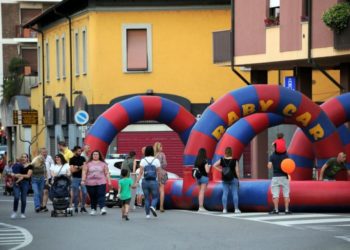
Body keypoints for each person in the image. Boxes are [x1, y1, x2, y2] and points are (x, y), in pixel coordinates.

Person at [133, 145, 161, 219]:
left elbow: (140, 173)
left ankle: (147, 215)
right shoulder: (156, 160)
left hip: (145, 181)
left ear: (145, 152)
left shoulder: (143, 160)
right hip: (154, 181)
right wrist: (160, 181)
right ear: (153, 151)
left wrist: (136, 182)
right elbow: (159, 172)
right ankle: (153, 206)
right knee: (155, 197)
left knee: (146, 198)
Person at [81, 150, 111, 216]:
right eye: (94, 154)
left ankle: (102, 208)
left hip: (101, 182)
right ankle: (93, 209)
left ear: (99, 155)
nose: (95, 155)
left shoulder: (103, 164)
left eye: (97, 154)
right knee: (93, 196)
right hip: (90, 183)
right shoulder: (87, 164)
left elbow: (107, 173)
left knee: (101, 194)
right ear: (92, 155)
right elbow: (84, 172)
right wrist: (83, 180)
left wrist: (109, 181)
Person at [212, 147, 240, 214]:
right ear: (231, 152)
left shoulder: (222, 160)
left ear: (225, 152)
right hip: (233, 178)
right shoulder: (235, 160)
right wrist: (238, 179)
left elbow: (214, 165)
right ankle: (236, 209)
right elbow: (237, 171)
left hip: (225, 179)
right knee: (235, 193)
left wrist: (221, 170)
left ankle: (224, 209)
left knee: (225, 193)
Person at [267, 150, 291, 215]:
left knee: (275, 194)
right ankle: (286, 210)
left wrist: (271, 160)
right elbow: (289, 165)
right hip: (284, 177)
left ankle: (276, 210)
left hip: (276, 177)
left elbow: (269, 166)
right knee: (286, 194)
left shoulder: (272, 156)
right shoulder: (286, 155)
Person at [11, 154, 32, 219]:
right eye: (22, 157)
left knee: (23, 199)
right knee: (16, 197)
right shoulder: (17, 165)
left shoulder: (30, 166)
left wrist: (19, 175)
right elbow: (13, 173)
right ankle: (14, 211)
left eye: (25, 157)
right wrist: (15, 175)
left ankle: (22, 213)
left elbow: (28, 176)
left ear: (27, 158)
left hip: (25, 183)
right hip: (16, 183)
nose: (23, 158)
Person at [69, 146, 87, 213]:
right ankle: (76, 207)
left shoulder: (83, 158)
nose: (80, 152)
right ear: (75, 151)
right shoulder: (71, 159)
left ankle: (83, 206)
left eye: (80, 151)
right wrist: (80, 167)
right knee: (76, 194)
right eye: (79, 151)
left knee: (84, 192)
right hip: (75, 178)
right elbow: (72, 170)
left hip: (82, 178)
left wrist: (78, 167)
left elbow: (85, 168)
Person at [154, 142, 167, 212]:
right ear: (159, 147)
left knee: (154, 191)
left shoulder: (152, 155)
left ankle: (154, 206)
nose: (162, 148)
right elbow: (165, 164)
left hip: (153, 174)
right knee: (162, 190)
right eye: (161, 146)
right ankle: (161, 207)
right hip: (161, 173)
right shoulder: (162, 155)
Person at [40, 147, 54, 212]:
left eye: (45, 152)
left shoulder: (49, 158)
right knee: (41, 192)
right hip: (40, 178)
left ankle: (44, 206)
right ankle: (40, 205)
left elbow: (53, 166)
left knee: (46, 191)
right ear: (41, 153)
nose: (44, 153)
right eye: (43, 152)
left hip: (48, 178)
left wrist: (52, 176)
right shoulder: (38, 158)